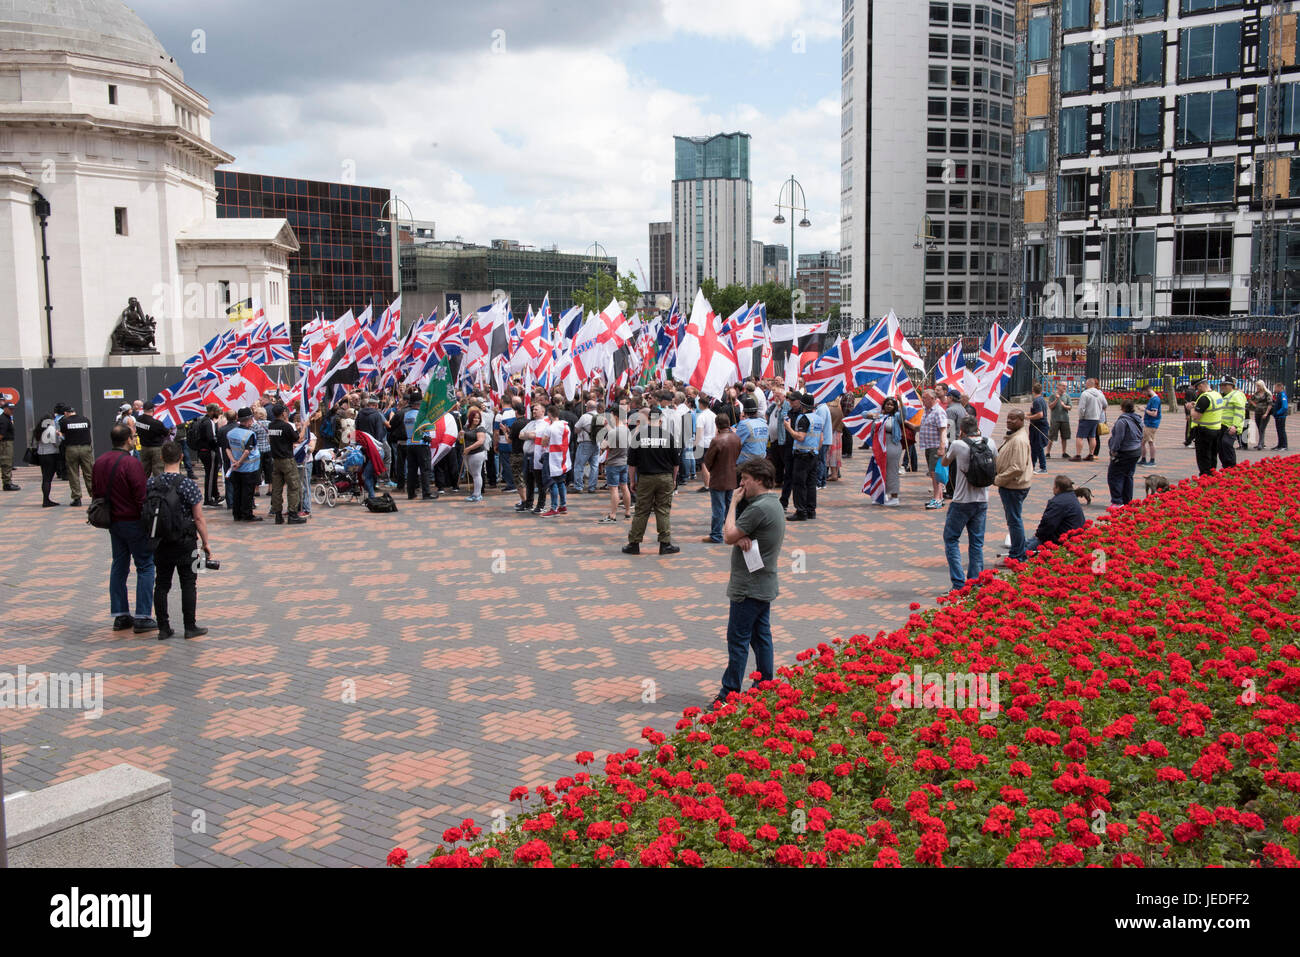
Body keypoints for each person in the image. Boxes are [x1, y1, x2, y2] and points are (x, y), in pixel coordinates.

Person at [714, 458, 786, 707]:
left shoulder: (758, 508)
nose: (741, 484)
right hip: (763, 583)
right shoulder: (772, 503)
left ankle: (729, 693)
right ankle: (765, 684)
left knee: (738, 639)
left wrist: (733, 502)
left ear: (758, 479)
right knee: (761, 636)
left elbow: (728, 535)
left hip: (748, 587)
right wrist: (742, 538)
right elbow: (739, 536)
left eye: (745, 479)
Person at [92, 423, 155, 633]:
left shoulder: (100, 462)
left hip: (112, 521)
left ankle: (120, 614)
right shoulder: (131, 463)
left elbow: (95, 491)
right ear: (128, 439)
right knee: (145, 565)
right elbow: (141, 496)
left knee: (119, 565)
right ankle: (143, 615)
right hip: (133, 520)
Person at [147, 442, 210, 640]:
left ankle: (163, 628)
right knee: (189, 583)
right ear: (181, 457)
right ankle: (190, 626)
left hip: (160, 540)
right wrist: (206, 542)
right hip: (186, 540)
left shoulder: (152, 483)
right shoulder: (188, 484)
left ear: (161, 458)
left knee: (162, 584)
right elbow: (198, 517)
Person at [941, 417, 997, 592]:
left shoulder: (958, 444)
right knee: (976, 542)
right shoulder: (991, 442)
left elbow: (945, 462)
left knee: (951, 539)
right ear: (978, 429)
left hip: (961, 501)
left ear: (962, 430)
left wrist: (945, 450)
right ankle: (975, 581)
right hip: (982, 500)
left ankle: (958, 583)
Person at [623, 404, 680, 554]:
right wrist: (674, 480)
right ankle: (665, 543)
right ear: (660, 420)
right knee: (663, 510)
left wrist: (633, 481)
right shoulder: (668, 436)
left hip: (646, 477)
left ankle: (634, 543)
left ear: (648, 419)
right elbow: (676, 464)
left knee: (642, 511)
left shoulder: (639, 436)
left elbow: (631, 463)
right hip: (665, 477)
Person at [994, 409, 1032, 561]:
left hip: (1014, 486)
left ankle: (1018, 555)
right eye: (1008, 418)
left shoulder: (1019, 440)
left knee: (1014, 521)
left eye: (1013, 419)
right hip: (1011, 485)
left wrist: (999, 479)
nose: (1009, 421)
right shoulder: (1015, 437)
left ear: (1022, 421)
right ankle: (1018, 551)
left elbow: (1017, 468)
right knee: (1014, 520)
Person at [701, 412, 741, 543]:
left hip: (718, 477)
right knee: (730, 507)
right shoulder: (736, 438)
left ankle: (716, 534)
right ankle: (730, 531)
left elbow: (708, 460)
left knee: (718, 508)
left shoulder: (717, 440)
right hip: (732, 476)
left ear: (717, 425)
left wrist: (712, 469)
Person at [1024, 475, 1087, 553]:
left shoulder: (1057, 502)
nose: (1053, 488)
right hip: (1074, 536)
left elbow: (1048, 524)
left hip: (1062, 540)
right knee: (1028, 541)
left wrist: (1038, 535)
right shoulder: (1072, 496)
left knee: (1024, 551)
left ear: (1058, 488)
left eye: (1054, 486)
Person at [267, 404, 306, 524]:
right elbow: (298, 439)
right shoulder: (286, 426)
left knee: (277, 488)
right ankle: (292, 514)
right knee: (293, 487)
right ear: (283, 413)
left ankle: (278, 515)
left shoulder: (271, 425)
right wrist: (304, 427)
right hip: (287, 459)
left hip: (276, 460)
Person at [784, 392, 821, 521]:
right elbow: (821, 439)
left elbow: (800, 437)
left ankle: (801, 511)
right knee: (811, 484)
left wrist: (788, 428)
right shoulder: (817, 418)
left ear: (802, 404)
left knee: (799, 484)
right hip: (814, 454)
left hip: (802, 455)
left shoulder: (803, 418)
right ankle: (811, 510)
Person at [226, 408, 263, 522]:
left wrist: (234, 462)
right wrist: (240, 462)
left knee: (237, 491)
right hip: (248, 468)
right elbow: (247, 451)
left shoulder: (231, 433)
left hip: (236, 469)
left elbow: (227, 448)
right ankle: (247, 514)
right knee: (247, 492)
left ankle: (237, 514)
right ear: (248, 420)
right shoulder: (249, 434)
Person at [1106, 398, 1144, 506]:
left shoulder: (1122, 421)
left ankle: (1117, 501)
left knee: (1115, 475)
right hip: (1136, 450)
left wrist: (1113, 450)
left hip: (1125, 451)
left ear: (1122, 408)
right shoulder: (1138, 419)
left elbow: (1118, 438)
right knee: (1128, 475)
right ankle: (1127, 500)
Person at [598, 407, 632, 523]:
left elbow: (604, 446)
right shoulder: (626, 430)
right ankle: (627, 512)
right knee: (624, 487)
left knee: (614, 489)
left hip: (613, 463)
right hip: (624, 461)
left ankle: (613, 514)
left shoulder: (613, 432)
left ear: (616, 416)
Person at [57, 402, 93, 505]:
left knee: (73, 473)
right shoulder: (85, 419)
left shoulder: (64, 421)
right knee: (89, 473)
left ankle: (77, 498)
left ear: (65, 413)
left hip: (71, 448)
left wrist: (59, 434)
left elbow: (63, 435)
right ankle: (94, 496)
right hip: (85, 448)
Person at [918, 390, 948, 510]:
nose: (923, 401)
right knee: (934, 473)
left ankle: (936, 498)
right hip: (928, 445)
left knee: (936, 474)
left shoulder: (938, 411)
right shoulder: (926, 411)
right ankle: (939, 497)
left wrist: (941, 447)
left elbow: (943, 430)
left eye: (924, 398)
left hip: (936, 446)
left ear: (931, 398)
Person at [402, 393, 435, 500]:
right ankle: (426, 493)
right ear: (419, 404)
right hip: (421, 443)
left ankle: (411, 493)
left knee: (411, 470)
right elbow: (428, 429)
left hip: (410, 443)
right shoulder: (421, 415)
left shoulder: (407, 415)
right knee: (425, 469)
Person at [1189, 378, 1224, 475]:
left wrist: (1191, 408)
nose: (1197, 391)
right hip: (1216, 429)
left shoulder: (1205, 398)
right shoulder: (1217, 395)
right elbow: (1210, 409)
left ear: (1201, 386)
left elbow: (1197, 416)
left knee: (1203, 455)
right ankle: (1212, 473)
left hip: (1204, 431)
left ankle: (1205, 475)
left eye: (1197, 388)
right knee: (1213, 455)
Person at [541, 404, 570, 516]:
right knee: (560, 481)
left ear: (549, 414)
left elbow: (544, 442)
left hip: (551, 455)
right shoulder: (565, 426)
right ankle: (563, 505)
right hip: (562, 456)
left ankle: (554, 508)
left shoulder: (550, 427)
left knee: (551, 481)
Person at [877, 397, 904, 507]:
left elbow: (904, 415)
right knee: (881, 471)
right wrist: (871, 415)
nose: (889, 406)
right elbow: (864, 414)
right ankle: (883, 493)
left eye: (891, 404)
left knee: (892, 471)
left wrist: (901, 401)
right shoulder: (880, 416)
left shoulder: (896, 417)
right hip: (880, 446)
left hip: (892, 445)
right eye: (887, 404)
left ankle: (894, 496)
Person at [1072, 378, 1106, 461]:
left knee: (1079, 436)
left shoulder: (1085, 394)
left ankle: (1078, 455)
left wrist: (1081, 416)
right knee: (1092, 436)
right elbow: (1105, 404)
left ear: (1088, 384)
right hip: (1096, 418)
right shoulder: (1100, 394)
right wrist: (1099, 411)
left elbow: (1081, 408)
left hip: (1086, 417)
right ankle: (1091, 454)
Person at [33, 409, 62, 506]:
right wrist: (60, 436)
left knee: (45, 477)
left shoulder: (38, 429)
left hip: (41, 455)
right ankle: (46, 500)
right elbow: (56, 444)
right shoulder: (51, 429)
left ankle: (45, 499)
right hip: (50, 455)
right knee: (48, 479)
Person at [134, 401, 169, 477]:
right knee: (158, 470)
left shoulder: (138, 419)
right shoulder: (156, 423)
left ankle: (143, 487)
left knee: (144, 470)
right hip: (156, 449)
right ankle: (158, 487)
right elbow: (166, 433)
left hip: (144, 448)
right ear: (153, 410)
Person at [1218, 377, 1246, 469]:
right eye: (1221, 385)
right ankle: (1226, 467)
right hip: (1221, 425)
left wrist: (1235, 426)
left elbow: (1239, 412)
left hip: (1230, 426)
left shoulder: (1236, 395)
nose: (1223, 387)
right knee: (1221, 447)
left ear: (1231, 385)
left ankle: (1232, 467)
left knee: (1226, 444)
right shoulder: (1223, 396)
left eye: (1225, 385)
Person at [573, 401, 601, 494]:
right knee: (595, 466)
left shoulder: (584, 416)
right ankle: (592, 487)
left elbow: (576, 429)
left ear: (587, 407)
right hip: (597, 443)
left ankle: (579, 486)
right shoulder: (600, 417)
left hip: (585, 443)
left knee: (579, 465)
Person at [463, 408, 489, 502]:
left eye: (478, 418)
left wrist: (469, 448)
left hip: (477, 453)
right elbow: (461, 439)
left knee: (476, 474)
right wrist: (460, 435)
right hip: (467, 454)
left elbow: (480, 441)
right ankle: (476, 493)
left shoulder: (480, 428)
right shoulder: (466, 427)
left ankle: (477, 494)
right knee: (473, 473)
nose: (476, 420)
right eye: (474, 418)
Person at [733, 398, 768, 466]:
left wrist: (734, 433)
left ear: (744, 412)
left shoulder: (744, 424)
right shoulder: (764, 423)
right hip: (761, 461)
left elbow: (736, 444)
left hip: (746, 462)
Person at [1027, 383, 1049, 473]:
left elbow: (1040, 414)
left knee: (1039, 447)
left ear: (1033, 391)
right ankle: (1032, 465)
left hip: (1039, 426)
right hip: (1038, 426)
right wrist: (1025, 414)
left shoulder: (1037, 401)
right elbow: (1035, 412)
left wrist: (1028, 417)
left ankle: (1043, 467)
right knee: (1034, 447)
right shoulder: (1042, 400)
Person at [1048, 382, 1072, 459]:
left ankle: (1064, 452)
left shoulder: (1067, 396)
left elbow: (1070, 407)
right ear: (1058, 386)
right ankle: (1048, 452)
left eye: (1066, 386)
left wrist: (1064, 406)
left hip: (1064, 419)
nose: (1065, 388)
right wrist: (1056, 400)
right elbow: (1050, 406)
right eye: (1063, 386)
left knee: (1064, 437)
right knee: (1051, 436)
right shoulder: (1053, 395)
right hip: (1055, 419)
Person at [1139, 385, 1161, 467]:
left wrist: (1144, 409)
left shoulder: (1155, 399)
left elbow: (1154, 413)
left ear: (1147, 390)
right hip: (1148, 422)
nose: (1144, 395)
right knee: (1142, 442)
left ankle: (1152, 460)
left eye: (1144, 392)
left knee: (1150, 441)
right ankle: (1143, 459)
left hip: (1151, 423)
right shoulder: (1153, 399)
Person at [0, 400, 16, 491]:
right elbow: (1, 433)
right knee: (6, 462)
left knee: (7, 462)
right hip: (5, 443)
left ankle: (8, 482)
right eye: (10, 409)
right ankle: (7, 484)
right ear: (5, 409)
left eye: (13, 409)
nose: (12, 411)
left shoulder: (7, 418)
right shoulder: (4, 419)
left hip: (7, 443)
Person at [1253, 380, 1273, 450]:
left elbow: (1270, 404)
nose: (1257, 387)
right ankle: (1262, 442)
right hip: (1257, 412)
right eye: (1257, 386)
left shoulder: (1267, 394)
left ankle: (1260, 444)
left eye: (1258, 386)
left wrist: (1266, 413)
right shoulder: (1256, 393)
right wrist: (1255, 405)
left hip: (1264, 413)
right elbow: (1251, 399)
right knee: (1259, 428)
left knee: (1262, 428)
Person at [1270, 382, 1289, 450]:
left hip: (1281, 416)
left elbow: (1284, 407)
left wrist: (1278, 413)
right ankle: (1280, 445)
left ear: (1280, 388)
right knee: (1279, 431)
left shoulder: (1282, 395)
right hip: (1278, 416)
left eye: (1276, 388)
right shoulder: (1279, 395)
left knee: (1281, 431)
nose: (1275, 389)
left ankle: (1284, 445)